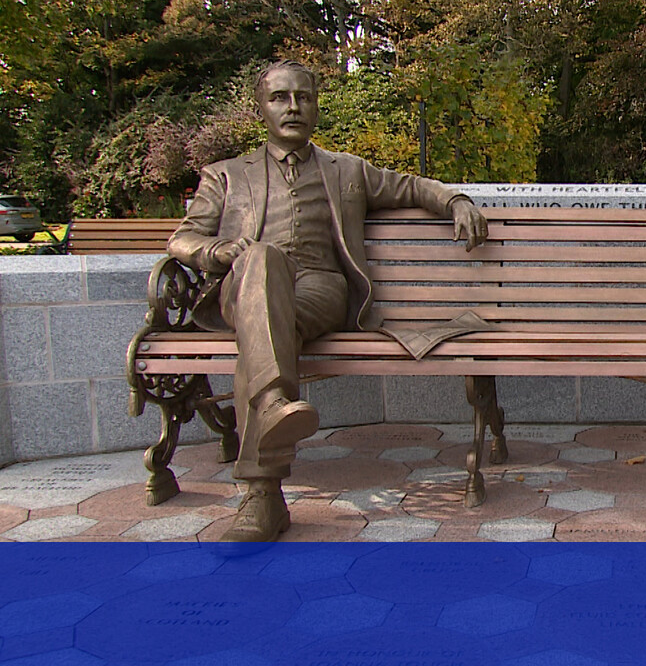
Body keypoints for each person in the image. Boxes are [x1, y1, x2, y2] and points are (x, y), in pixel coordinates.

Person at [168, 60, 488, 542]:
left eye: (303, 97)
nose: (292, 106)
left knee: (266, 332)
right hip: (244, 287)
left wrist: (456, 201)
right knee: (262, 263)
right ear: (261, 108)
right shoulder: (226, 175)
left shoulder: (347, 171)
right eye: (280, 97)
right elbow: (183, 239)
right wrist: (217, 251)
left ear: (316, 108)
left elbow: (410, 186)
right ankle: (273, 408)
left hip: (319, 290)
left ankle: (263, 494)